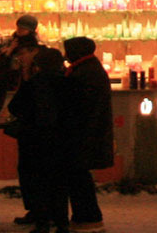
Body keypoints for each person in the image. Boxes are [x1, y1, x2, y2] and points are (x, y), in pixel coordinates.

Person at [10, 47, 69, 233]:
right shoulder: (69, 83)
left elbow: (15, 107)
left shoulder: (33, 84)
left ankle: (42, 222)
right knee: (59, 183)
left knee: (38, 182)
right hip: (61, 139)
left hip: (33, 140)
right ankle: (62, 223)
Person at [62, 37, 113, 233]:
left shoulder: (84, 73)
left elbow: (78, 105)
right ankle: (86, 217)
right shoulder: (89, 69)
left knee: (79, 178)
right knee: (80, 177)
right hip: (88, 133)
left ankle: (87, 217)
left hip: (83, 134)